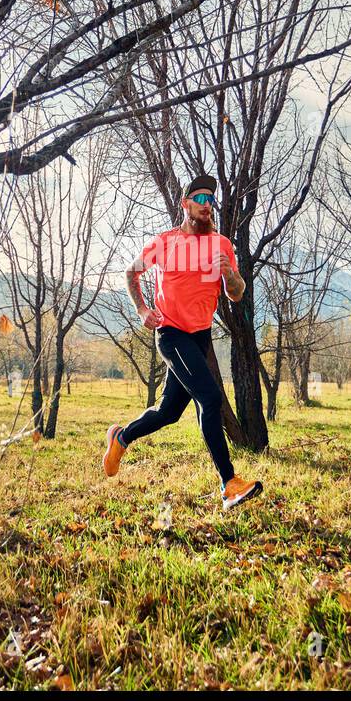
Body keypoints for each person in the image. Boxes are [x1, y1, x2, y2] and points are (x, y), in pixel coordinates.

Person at [101, 173, 263, 511]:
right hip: (171, 333)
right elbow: (132, 273)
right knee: (209, 396)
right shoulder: (164, 243)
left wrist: (231, 275)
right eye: (201, 200)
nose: (208, 206)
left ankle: (122, 437)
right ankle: (229, 483)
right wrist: (142, 308)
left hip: (199, 336)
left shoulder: (221, 245)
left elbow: (236, 294)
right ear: (185, 204)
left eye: (212, 201)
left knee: (168, 412)